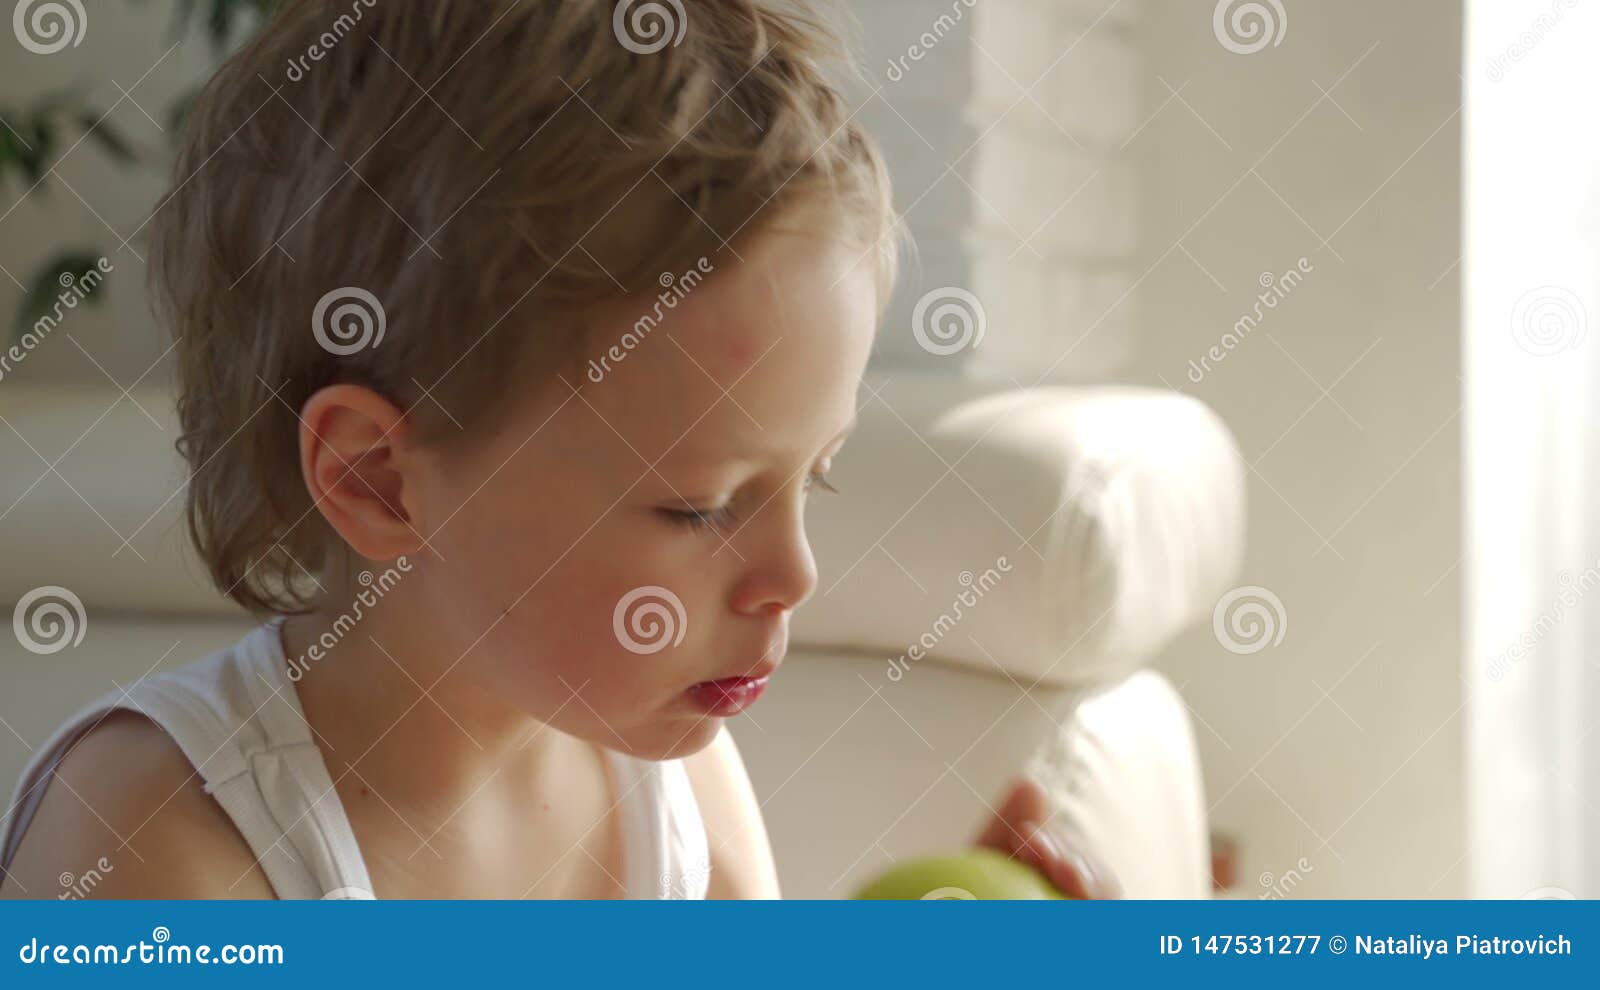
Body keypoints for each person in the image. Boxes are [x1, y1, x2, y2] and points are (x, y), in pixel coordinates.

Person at [0, 0, 1118, 901]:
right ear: (377, 479)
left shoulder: (674, 793)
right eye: (700, 506)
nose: (795, 577)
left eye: (811, 476)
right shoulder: (155, 839)